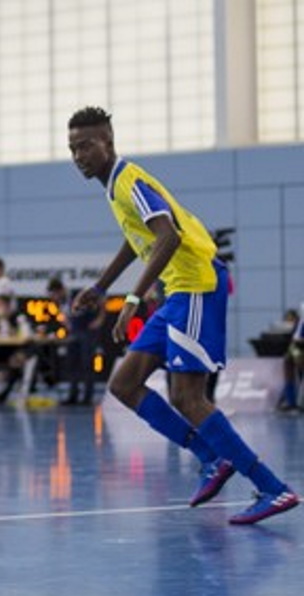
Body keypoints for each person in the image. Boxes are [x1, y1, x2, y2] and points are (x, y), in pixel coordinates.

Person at [67, 106, 297, 524]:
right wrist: (101, 287)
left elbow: (168, 236)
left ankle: (272, 488)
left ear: (109, 143)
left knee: (187, 396)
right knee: (124, 384)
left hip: (195, 286)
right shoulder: (114, 188)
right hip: (176, 292)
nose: (78, 155)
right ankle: (212, 458)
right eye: (72, 149)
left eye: (86, 145)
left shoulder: (128, 180)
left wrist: (133, 301)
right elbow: (136, 240)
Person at [48, 278, 105, 406]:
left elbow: (100, 299)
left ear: (61, 290)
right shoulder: (60, 302)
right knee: (71, 363)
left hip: (87, 331)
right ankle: (73, 395)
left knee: (87, 363)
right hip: (73, 333)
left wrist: (100, 318)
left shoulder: (77, 294)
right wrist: (67, 323)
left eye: (55, 294)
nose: (55, 298)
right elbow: (65, 314)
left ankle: (87, 397)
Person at [281, 304, 303, 412]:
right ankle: (291, 402)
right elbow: (294, 342)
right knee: (288, 363)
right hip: (297, 349)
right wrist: (295, 354)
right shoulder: (299, 323)